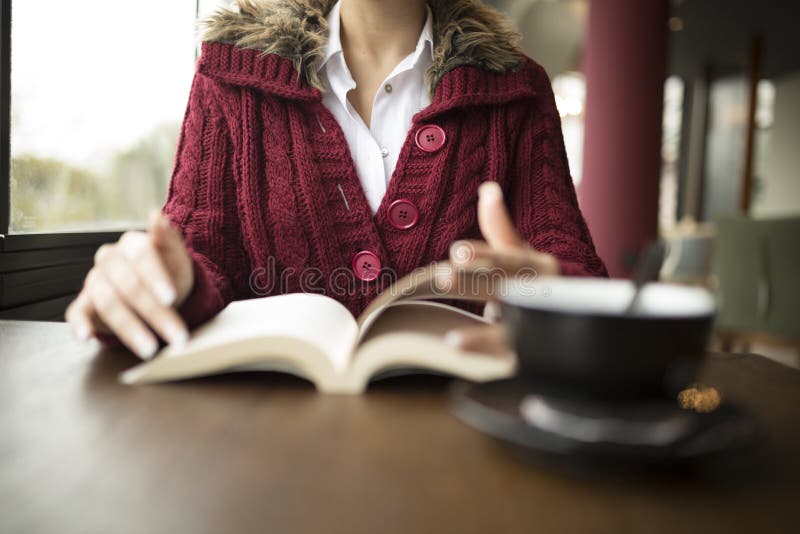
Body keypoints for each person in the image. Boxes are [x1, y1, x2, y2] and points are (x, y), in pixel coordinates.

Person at [66, 0, 607, 359]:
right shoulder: (229, 74)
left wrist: (546, 291)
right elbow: (199, 260)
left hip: (457, 459)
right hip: (261, 453)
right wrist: (155, 286)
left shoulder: (518, 90)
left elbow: (577, 279)